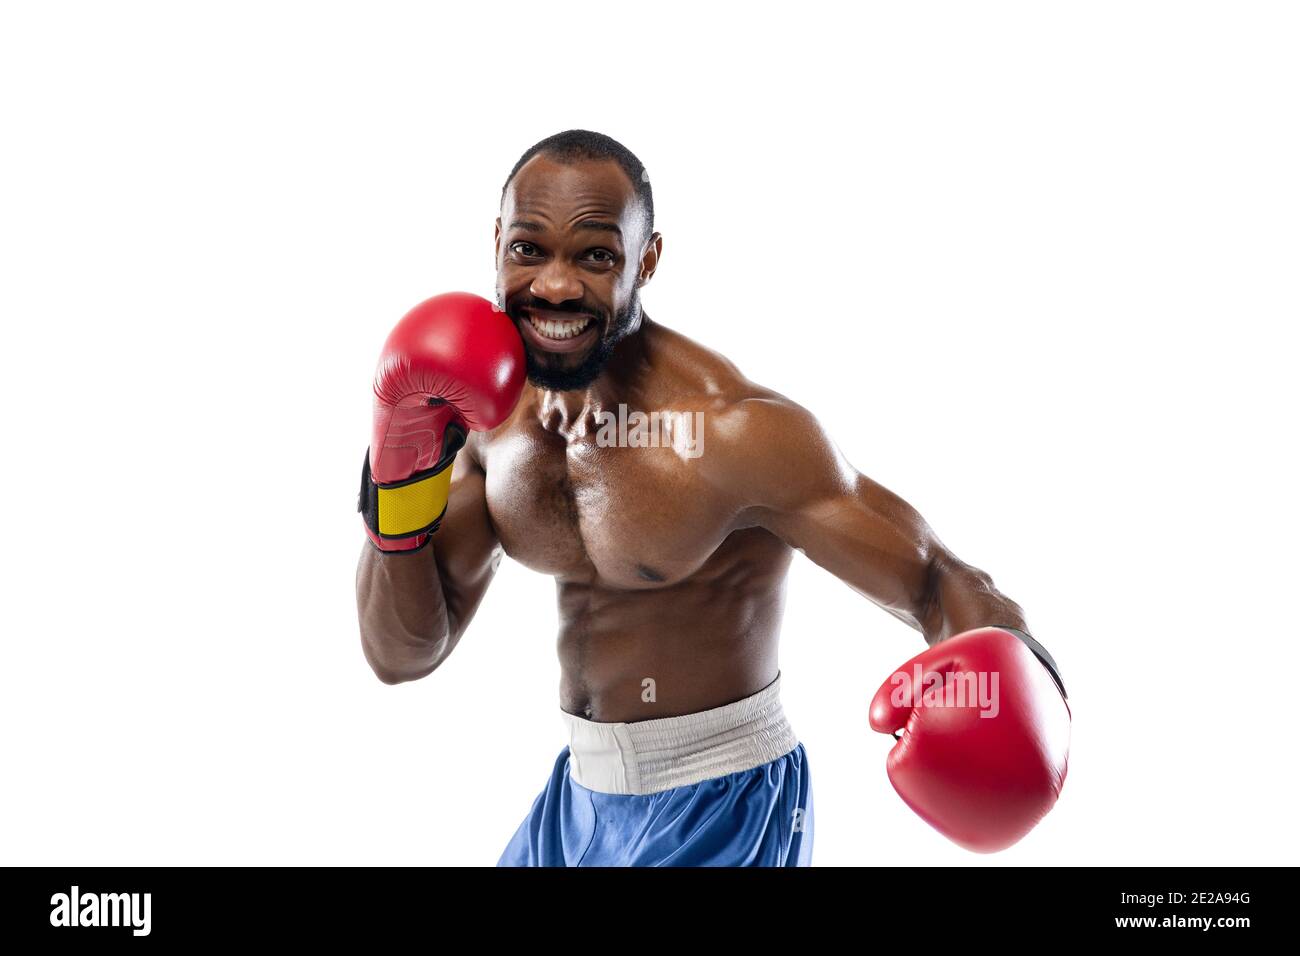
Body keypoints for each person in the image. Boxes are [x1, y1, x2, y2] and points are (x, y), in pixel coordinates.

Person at [355, 130, 1071, 866]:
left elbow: (936, 580)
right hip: (575, 800)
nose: (557, 286)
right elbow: (404, 653)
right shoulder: (482, 423)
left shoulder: (734, 433)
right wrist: (399, 477)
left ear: (647, 259)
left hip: (722, 801)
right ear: (498, 243)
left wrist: (1017, 695)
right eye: (529, 250)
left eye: (596, 255)